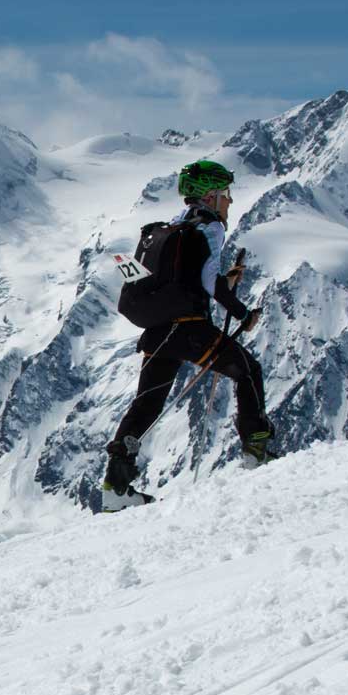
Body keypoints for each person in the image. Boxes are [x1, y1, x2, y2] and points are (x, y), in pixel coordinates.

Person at [102, 159, 273, 512]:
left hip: (158, 330)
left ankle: (115, 490)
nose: (229, 200)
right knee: (248, 371)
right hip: (190, 330)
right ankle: (256, 451)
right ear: (210, 196)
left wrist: (226, 280)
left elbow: (186, 277)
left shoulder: (173, 226)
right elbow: (208, 284)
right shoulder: (211, 227)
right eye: (225, 193)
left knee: (147, 403)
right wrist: (244, 314)